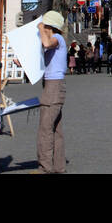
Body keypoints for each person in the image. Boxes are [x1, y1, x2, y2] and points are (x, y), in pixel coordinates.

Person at [37, 11, 68, 174]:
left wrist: (41, 28)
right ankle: (58, 166)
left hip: (53, 87)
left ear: (50, 27)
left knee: (45, 129)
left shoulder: (58, 39)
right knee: (56, 129)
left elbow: (48, 44)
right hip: (52, 85)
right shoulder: (53, 41)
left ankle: (45, 168)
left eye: (44, 26)